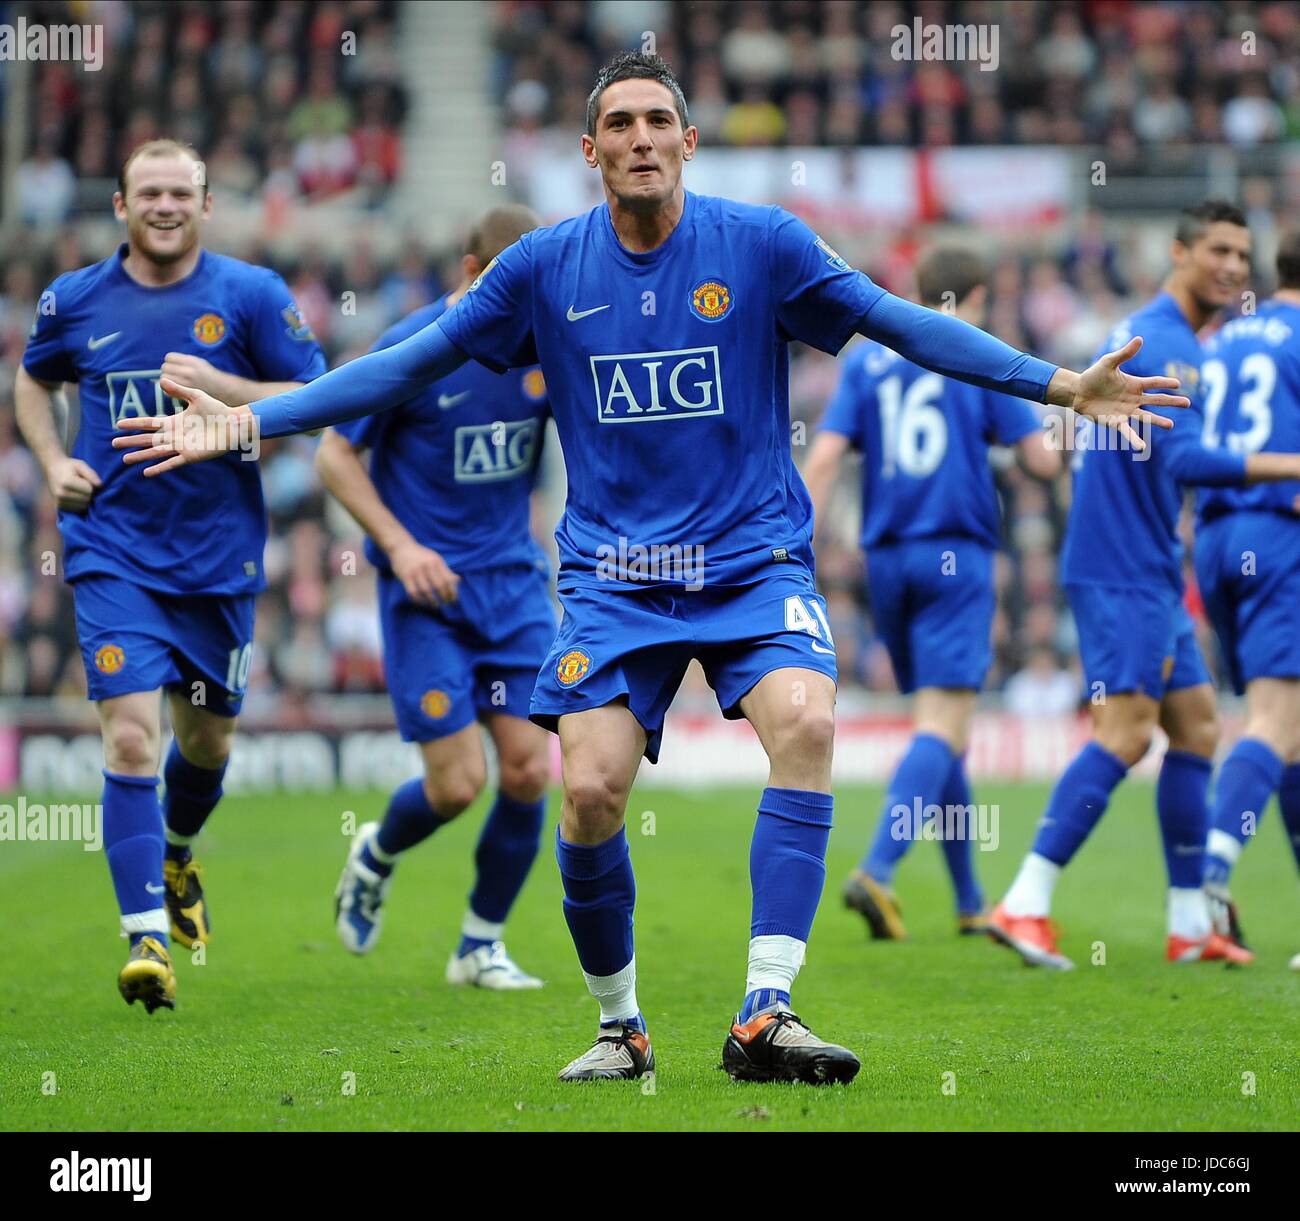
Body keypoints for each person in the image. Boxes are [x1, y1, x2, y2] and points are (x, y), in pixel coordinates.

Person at [115, 54, 1187, 1080]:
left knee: (808, 724)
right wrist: (256, 424)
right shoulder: (541, 267)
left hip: (753, 558)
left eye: (657, 121)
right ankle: (619, 1025)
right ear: (589, 148)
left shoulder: (761, 243)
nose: (640, 139)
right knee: (585, 794)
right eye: (619, 124)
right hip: (612, 577)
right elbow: (401, 366)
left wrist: (1055, 385)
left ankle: (766, 1007)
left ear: (689, 140)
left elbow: (895, 322)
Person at [17, 139, 325, 1012]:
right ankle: (145, 936)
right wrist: (48, 461)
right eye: (147, 192)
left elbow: (316, 396)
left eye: (179, 192)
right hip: (111, 548)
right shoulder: (72, 301)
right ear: (120, 204)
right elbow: (32, 381)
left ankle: (177, 847)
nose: (163, 205)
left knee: (207, 744)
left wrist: (221, 385)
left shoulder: (251, 295)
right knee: (128, 740)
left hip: (218, 561)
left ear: (204, 203)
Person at [989, 202, 1300, 969]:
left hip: (1151, 564)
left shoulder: (1180, 339)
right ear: (1179, 249)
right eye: (1218, 249)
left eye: (1242, 253)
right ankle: (1024, 900)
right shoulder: (1162, 340)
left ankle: (1191, 924)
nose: (1232, 266)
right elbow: (1184, 461)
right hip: (1121, 567)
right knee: (1125, 735)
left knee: (1196, 728)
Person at [319, 205, 554, 989]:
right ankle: (376, 853)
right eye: (507, 285)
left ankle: (479, 944)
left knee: (528, 770)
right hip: (427, 595)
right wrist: (399, 544)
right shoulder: (413, 349)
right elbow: (332, 454)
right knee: (458, 785)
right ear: (470, 272)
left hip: (514, 590)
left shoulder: (545, 349)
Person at [803, 247, 1060, 940]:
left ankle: (970, 898)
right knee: (942, 724)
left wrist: (794, 543)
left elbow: (824, 455)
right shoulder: (976, 357)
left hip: (885, 562)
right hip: (956, 556)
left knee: (941, 727)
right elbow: (1038, 459)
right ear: (974, 298)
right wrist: (1072, 435)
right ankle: (878, 871)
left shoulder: (868, 359)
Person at [1194, 229, 1300, 951]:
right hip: (1281, 528)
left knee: (1291, 733)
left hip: (1218, 539)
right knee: (1274, 718)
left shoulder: (1223, 339)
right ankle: (1212, 869)